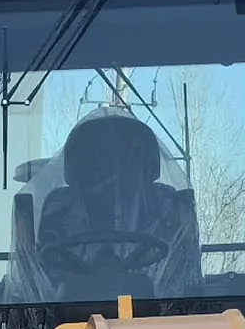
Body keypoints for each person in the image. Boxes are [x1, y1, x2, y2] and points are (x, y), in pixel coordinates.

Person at [16, 111, 200, 301]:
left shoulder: (166, 206)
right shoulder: (60, 208)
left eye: (122, 162)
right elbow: (43, 273)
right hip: (65, 321)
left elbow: (182, 280)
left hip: (160, 320)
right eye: (97, 165)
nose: (110, 177)